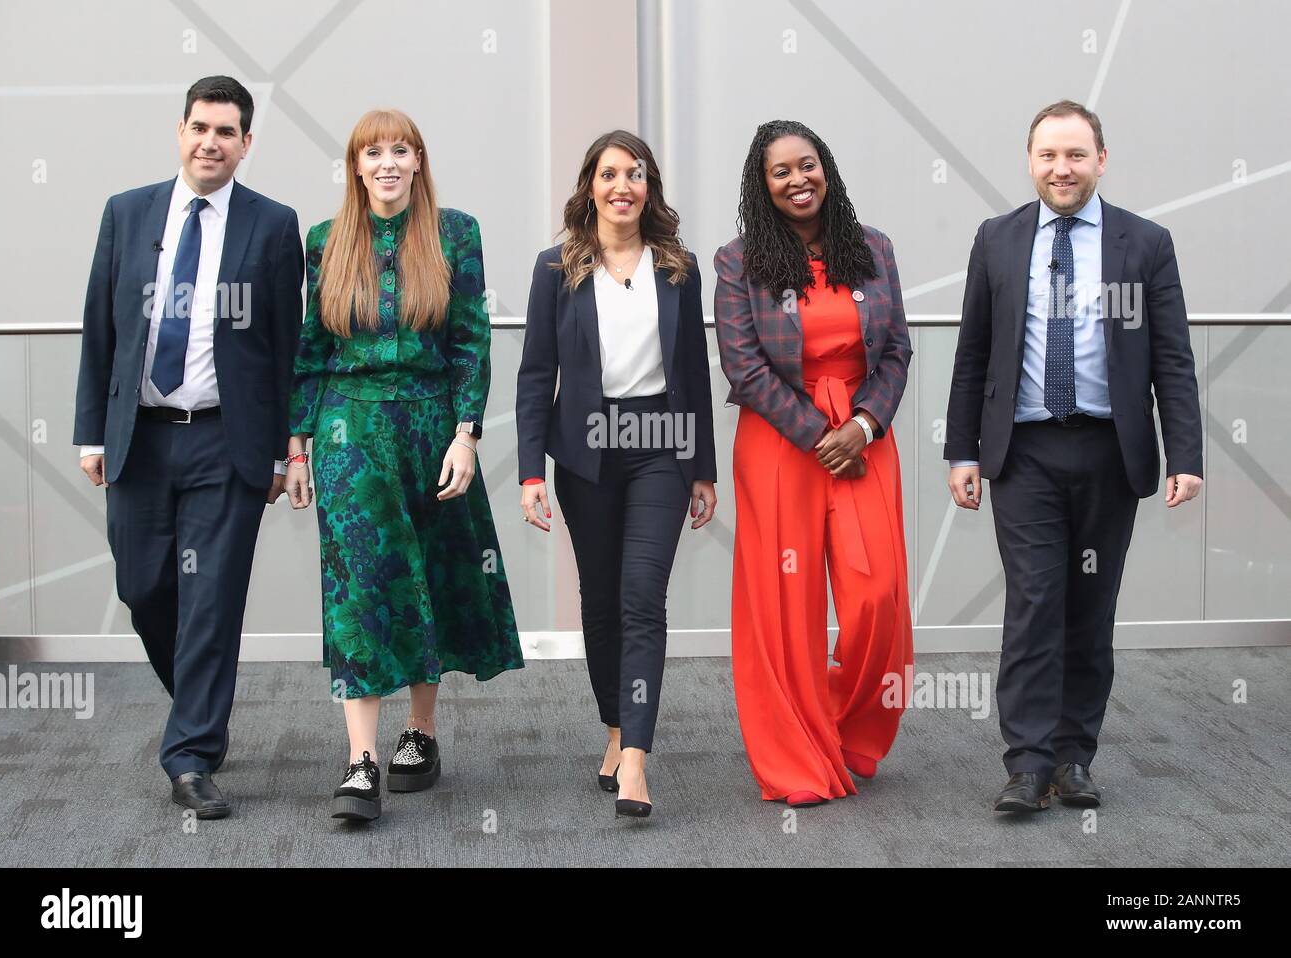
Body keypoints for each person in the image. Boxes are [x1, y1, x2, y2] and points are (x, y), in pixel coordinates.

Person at [944, 100, 1204, 813]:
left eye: (1076, 155)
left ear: (1101, 160)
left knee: (1089, 607)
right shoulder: (996, 240)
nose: (1062, 168)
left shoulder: (1144, 243)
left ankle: (1073, 757)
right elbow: (973, 354)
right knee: (1034, 602)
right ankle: (1026, 763)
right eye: (1049, 155)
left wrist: (1186, 453)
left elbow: (1172, 360)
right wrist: (961, 450)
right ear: (1031, 162)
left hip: (1108, 453)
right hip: (1023, 453)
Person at [73, 76, 303, 819]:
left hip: (224, 444)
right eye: (200, 128)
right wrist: (89, 431)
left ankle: (191, 752)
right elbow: (99, 332)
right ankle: (200, 706)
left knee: (211, 600)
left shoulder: (272, 226)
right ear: (181, 132)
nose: (211, 142)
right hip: (138, 438)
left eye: (227, 132)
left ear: (246, 143)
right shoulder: (127, 212)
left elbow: (283, 347)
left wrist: (279, 453)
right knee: (143, 589)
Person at [285, 109, 523, 823]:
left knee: (432, 574)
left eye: (401, 150)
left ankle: (420, 732)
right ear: (356, 167)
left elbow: (471, 341)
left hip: (431, 426)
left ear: (418, 161)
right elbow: (311, 350)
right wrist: (297, 445)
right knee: (359, 586)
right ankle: (359, 761)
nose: (387, 162)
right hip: (348, 431)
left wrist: (467, 434)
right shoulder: (325, 243)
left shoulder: (457, 234)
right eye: (372, 152)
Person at [516, 130, 717, 819]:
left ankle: (635, 758)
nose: (622, 186)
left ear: (649, 189)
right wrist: (529, 473)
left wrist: (703, 470)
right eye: (610, 174)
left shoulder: (679, 268)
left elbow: (693, 370)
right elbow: (536, 373)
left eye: (635, 174)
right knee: (600, 602)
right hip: (585, 452)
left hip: (661, 442)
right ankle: (613, 726)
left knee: (641, 594)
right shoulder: (556, 269)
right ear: (591, 186)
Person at [714, 120, 914, 808]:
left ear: (825, 169)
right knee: (783, 607)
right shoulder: (739, 261)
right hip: (779, 443)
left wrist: (860, 426)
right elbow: (742, 365)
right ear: (761, 185)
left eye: (808, 165)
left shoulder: (875, 249)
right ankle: (794, 751)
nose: (798, 180)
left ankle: (845, 725)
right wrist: (814, 432)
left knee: (877, 595)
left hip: (865, 441)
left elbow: (897, 353)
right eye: (781, 172)